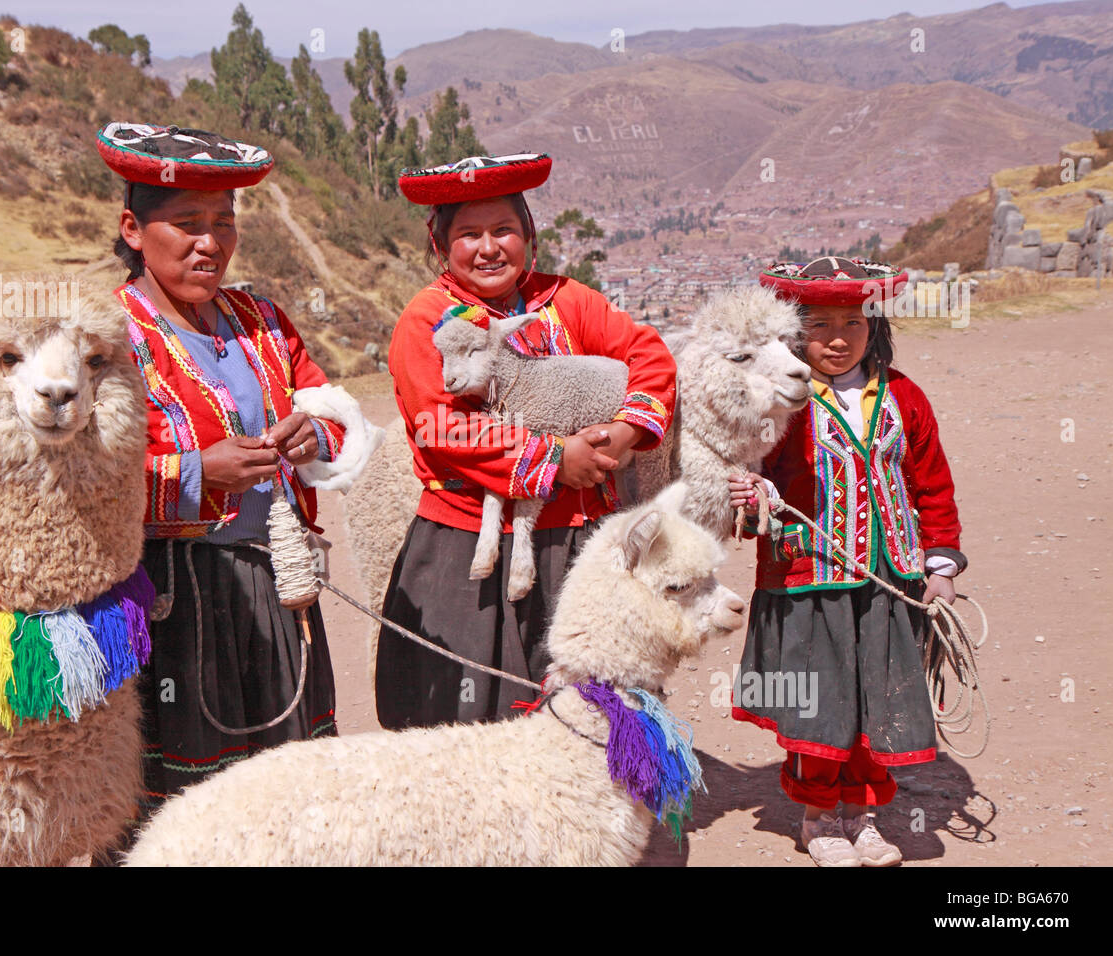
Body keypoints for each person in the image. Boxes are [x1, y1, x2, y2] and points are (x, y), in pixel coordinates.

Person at [96, 122, 354, 810]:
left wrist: (315, 436)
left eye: (224, 221)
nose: (211, 242)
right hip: (169, 600)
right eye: (187, 223)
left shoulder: (261, 319)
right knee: (181, 802)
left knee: (284, 789)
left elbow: (333, 409)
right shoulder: (104, 336)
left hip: (278, 584)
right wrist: (194, 472)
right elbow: (80, 479)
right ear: (132, 228)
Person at [375, 153, 677, 729]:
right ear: (440, 245)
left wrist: (624, 431)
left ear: (529, 235)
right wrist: (560, 459)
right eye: (468, 234)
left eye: (503, 230)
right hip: (467, 546)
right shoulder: (428, 320)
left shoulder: (566, 300)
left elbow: (648, 354)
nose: (489, 248)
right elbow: (443, 428)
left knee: (590, 698)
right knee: (469, 715)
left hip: (579, 540)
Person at [729, 256, 967, 867]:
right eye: (819, 324)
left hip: (891, 581)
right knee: (819, 702)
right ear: (792, 331)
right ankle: (818, 818)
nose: (837, 338)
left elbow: (932, 485)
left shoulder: (904, 395)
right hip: (809, 582)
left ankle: (862, 816)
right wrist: (747, 500)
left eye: (853, 323)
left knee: (875, 698)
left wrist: (938, 565)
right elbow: (753, 485)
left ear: (875, 326)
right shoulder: (779, 401)